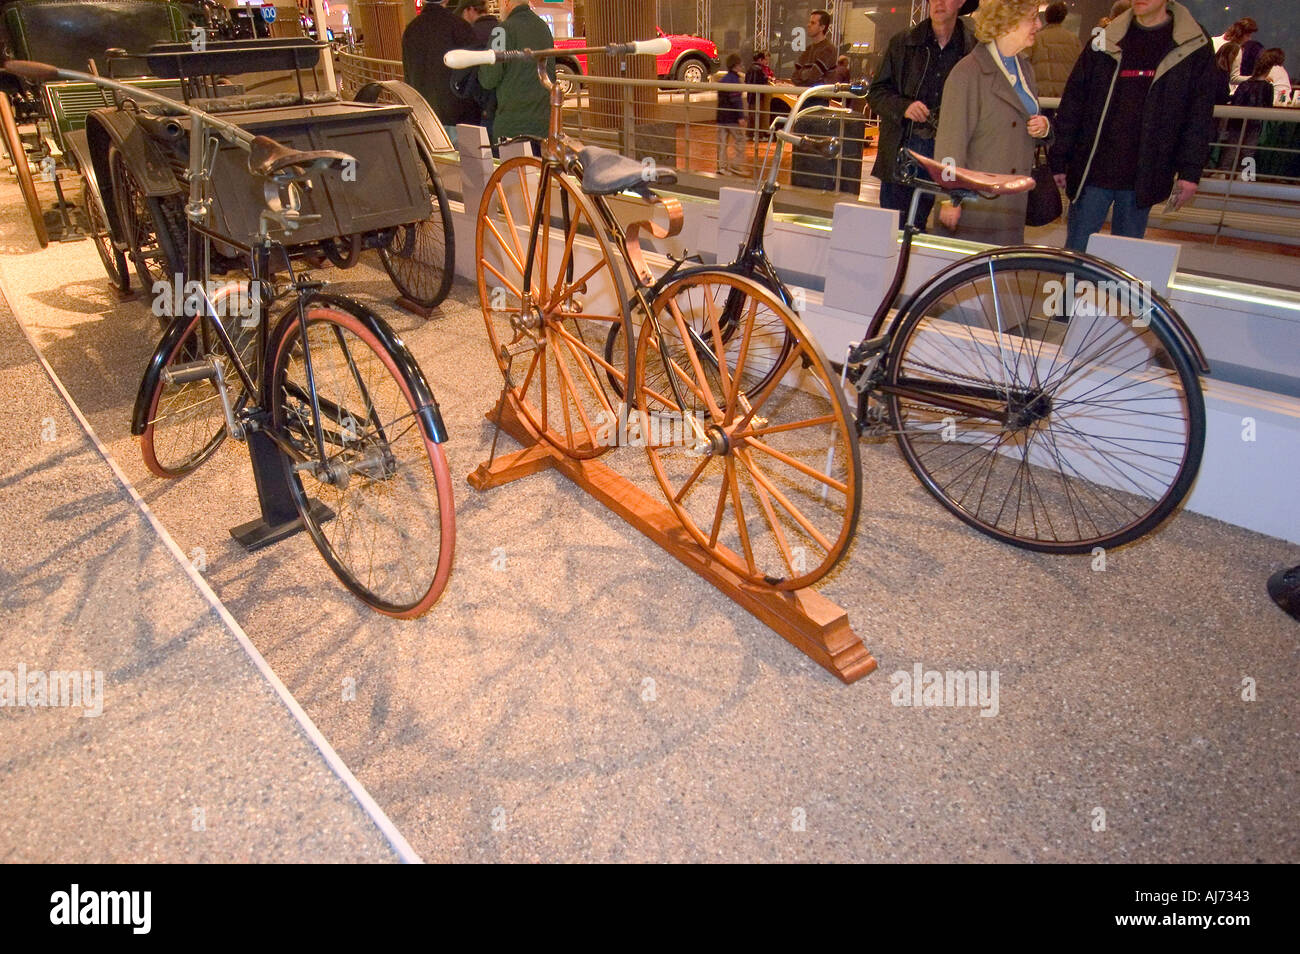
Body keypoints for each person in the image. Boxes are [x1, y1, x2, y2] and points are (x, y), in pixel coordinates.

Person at [1049, 0, 1215, 253]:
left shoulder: (1193, 44)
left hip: (1144, 175)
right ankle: (1071, 294)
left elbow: (1199, 113)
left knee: (1124, 262)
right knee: (1076, 257)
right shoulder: (1105, 39)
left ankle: (1115, 294)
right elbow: (1075, 100)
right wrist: (1059, 156)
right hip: (1092, 169)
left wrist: (1190, 171)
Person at [933, 0, 1051, 245]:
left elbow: (1019, 120)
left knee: (1001, 275)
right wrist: (949, 198)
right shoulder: (968, 72)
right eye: (1032, 18)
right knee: (972, 277)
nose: (1038, 25)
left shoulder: (1025, 68)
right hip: (978, 202)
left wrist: (1044, 127)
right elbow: (950, 142)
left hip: (1012, 199)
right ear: (1007, 21)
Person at [867, 0, 977, 228]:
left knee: (946, 235)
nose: (938, 2)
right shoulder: (902, 44)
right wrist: (903, 107)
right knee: (895, 233)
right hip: (904, 151)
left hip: (949, 155)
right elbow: (876, 92)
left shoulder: (973, 49)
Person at [478, 0, 554, 147]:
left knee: (512, 169)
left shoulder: (502, 30)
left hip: (513, 127)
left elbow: (488, 79)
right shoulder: (543, 27)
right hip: (544, 125)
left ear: (506, 2)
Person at [402, 0, 478, 139]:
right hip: (459, 115)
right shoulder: (460, 26)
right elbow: (473, 74)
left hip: (424, 116)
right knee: (463, 159)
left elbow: (408, 74)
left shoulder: (411, 29)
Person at [452, 0, 500, 141]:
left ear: (471, 10)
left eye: (463, 13)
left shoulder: (470, 34)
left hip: (479, 110)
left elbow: (463, 78)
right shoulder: (501, 29)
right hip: (503, 107)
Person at [1029, 1, 1082, 100]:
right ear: (1063, 17)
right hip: (1064, 95)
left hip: (1041, 94)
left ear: (1046, 16)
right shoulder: (1074, 40)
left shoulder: (1036, 38)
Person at [716, 53, 747, 176]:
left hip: (721, 117)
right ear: (736, 66)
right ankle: (736, 165)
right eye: (740, 65)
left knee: (722, 143)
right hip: (732, 119)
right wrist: (740, 116)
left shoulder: (723, 80)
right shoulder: (735, 81)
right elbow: (736, 100)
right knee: (740, 140)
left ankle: (721, 167)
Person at [790, 9, 837, 86]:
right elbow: (794, 77)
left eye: (813, 23)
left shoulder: (829, 49)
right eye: (809, 22)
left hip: (820, 97)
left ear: (822, 27)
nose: (808, 25)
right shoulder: (808, 49)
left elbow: (812, 77)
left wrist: (802, 73)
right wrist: (806, 74)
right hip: (805, 95)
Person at [745, 51, 773, 137]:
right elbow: (764, 80)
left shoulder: (750, 68)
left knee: (751, 116)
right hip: (758, 96)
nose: (766, 62)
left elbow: (746, 81)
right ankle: (759, 136)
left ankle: (749, 134)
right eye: (765, 59)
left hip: (750, 96)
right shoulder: (759, 69)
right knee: (759, 116)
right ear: (760, 59)